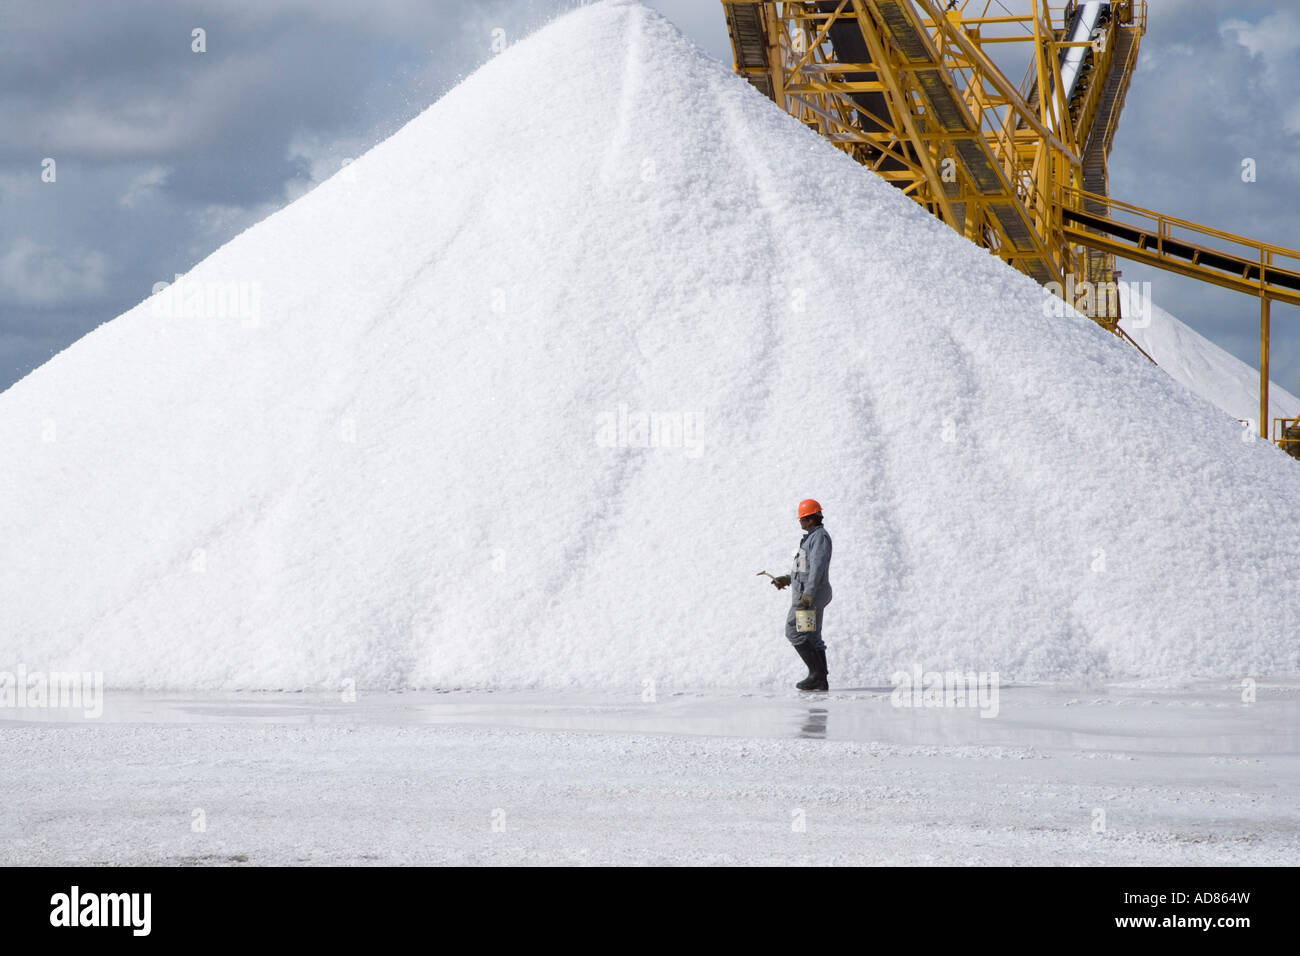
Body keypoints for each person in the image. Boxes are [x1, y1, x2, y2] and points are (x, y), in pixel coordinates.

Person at [770, 499, 832, 691]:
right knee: (812, 636)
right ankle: (820, 678)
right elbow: (805, 569)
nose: (800, 523)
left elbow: (818, 569)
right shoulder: (811, 538)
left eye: (802, 519)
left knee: (793, 631)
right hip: (809, 594)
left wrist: (809, 594)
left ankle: (816, 675)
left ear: (810, 519)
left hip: (808, 597)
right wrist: (787, 579)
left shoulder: (819, 538)